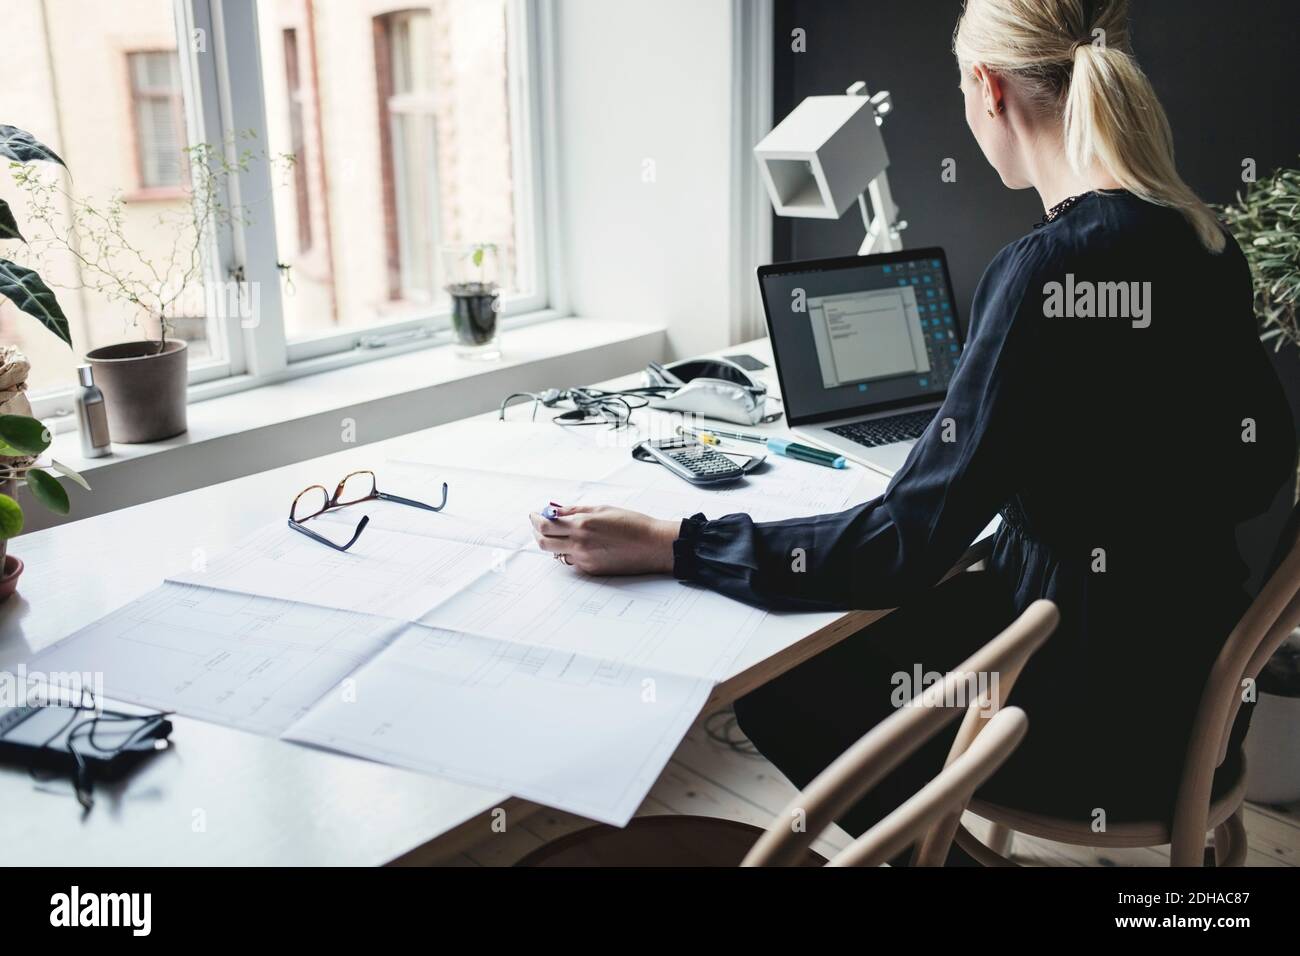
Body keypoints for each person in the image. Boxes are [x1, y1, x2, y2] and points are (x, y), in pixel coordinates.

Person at [529, 0, 1296, 855]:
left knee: (784, 686)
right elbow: (1256, 468)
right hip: (1184, 682)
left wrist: (678, 541)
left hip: (1085, 716)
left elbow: (905, 543)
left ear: (988, 89)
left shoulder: (1047, 266)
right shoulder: (1202, 237)